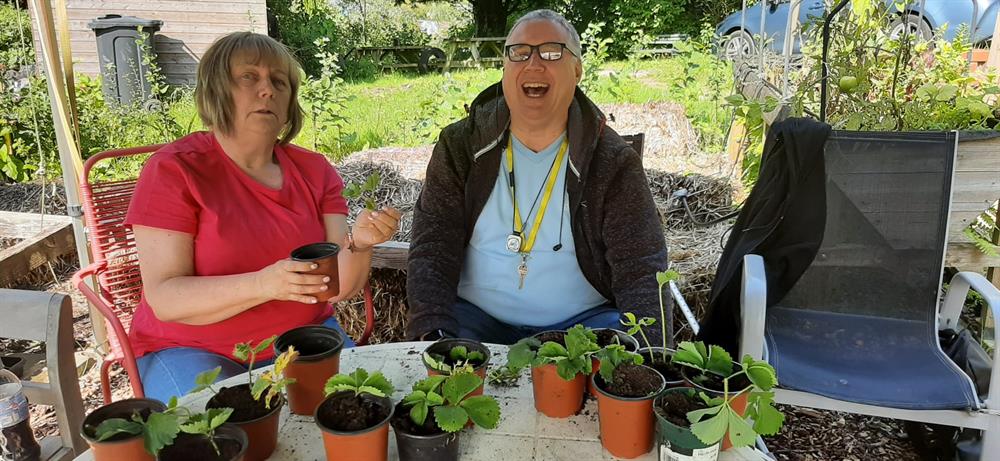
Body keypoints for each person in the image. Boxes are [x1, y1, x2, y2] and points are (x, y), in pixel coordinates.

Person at [125, 32, 400, 402]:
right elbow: (166, 298)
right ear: (216, 90)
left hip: (301, 341)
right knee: (223, 437)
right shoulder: (175, 171)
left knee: (367, 411)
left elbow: (336, 288)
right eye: (249, 77)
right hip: (188, 348)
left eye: (279, 81)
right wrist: (265, 284)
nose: (267, 89)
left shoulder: (315, 171)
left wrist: (362, 244)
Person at [406, 10, 669, 345]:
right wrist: (433, 329)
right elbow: (433, 245)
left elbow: (641, 266)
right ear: (504, 69)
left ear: (577, 69)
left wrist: (649, 353)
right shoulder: (461, 146)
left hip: (582, 327)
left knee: (609, 361)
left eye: (551, 52)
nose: (533, 64)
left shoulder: (612, 161)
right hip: (474, 320)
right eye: (519, 52)